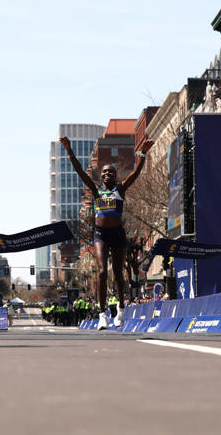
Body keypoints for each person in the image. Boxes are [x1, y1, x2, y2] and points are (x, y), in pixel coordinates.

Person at [59, 135, 153, 330]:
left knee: (118, 274)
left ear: (115, 176)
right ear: (100, 176)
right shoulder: (95, 191)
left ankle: (121, 310)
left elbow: (136, 173)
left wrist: (142, 154)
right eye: (104, 172)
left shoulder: (120, 189)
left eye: (111, 172)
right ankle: (102, 315)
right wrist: (69, 151)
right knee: (102, 272)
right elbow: (79, 171)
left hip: (118, 234)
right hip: (100, 234)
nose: (107, 174)